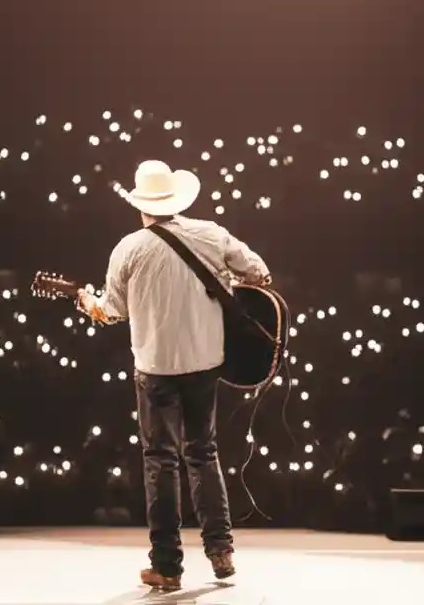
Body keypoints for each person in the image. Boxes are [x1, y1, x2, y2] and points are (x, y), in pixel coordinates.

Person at [75, 159, 272, 591]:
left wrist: (88, 303)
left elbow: (112, 311)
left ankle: (167, 566)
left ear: (140, 203)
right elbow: (258, 271)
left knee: (160, 463)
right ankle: (221, 551)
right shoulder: (210, 234)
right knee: (204, 452)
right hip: (205, 364)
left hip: (155, 370)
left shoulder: (128, 248)